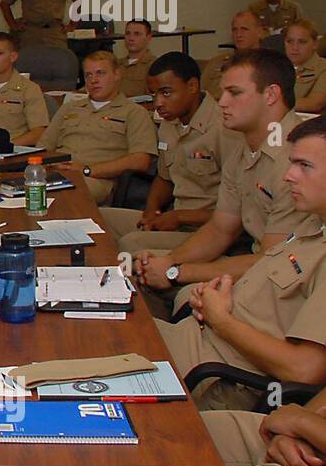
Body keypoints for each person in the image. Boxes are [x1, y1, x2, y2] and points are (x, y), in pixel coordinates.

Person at [156, 114, 326, 415]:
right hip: (199, 339)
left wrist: (221, 318)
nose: (289, 176)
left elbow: (304, 370)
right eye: (291, 163)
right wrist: (218, 297)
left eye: (305, 166)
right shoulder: (312, 228)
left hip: (219, 376)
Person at [135, 50, 318, 321]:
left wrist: (178, 272)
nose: (222, 102)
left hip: (285, 284)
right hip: (254, 263)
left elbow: (272, 260)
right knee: (142, 268)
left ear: (270, 95)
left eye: (235, 93)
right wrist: (169, 263)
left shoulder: (298, 160)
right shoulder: (244, 150)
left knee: (184, 299)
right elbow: (221, 229)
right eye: (223, 93)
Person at [103, 52, 222, 253]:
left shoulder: (222, 128)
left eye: (166, 93)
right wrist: (151, 210)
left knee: (131, 244)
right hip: (173, 219)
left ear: (192, 86)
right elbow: (164, 177)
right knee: (97, 218)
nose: (158, 103)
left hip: (207, 231)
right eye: (153, 94)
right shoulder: (169, 123)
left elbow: (238, 214)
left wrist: (179, 217)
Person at [39, 50, 156, 204]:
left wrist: (87, 170)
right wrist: (45, 167)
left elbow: (140, 160)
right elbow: (42, 148)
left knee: (62, 198)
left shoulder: (134, 112)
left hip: (95, 179)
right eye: (88, 75)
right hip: (55, 174)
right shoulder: (70, 108)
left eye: (100, 73)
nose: (94, 80)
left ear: (117, 74)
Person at [200, 10, 267, 98]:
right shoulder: (216, 62)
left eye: (244, 29)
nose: (238, 34)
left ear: (259, 32)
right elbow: (200, 94)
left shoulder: (269, 65)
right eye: (234, 30)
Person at [285, 17, 326, 115]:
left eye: (302, 42)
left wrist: (272, 103)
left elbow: (314, 103)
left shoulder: (322, 68)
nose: (294, 47)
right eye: (289, 41)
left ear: (315, 44)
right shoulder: (275, 66)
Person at [116, 19, 155, 99]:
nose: (131, 38)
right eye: (128, 33)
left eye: (137, 34)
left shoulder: (154, 65)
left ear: (148, 37)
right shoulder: (115, 64)